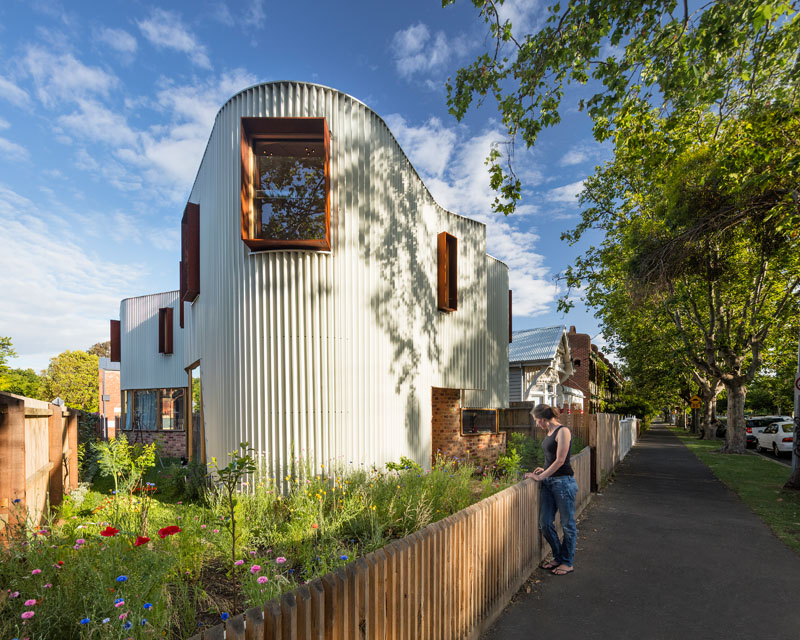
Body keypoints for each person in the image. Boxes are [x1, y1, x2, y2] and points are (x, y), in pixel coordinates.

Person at [524, 404, 577, 576]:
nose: (536, 424)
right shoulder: (549, 433)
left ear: (543, 419)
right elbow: (551, 458)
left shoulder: (563, 431)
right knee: (545, 524)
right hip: (549, 482)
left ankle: (567, 562)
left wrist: (541, 476)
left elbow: (561, 460)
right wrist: (543, 470)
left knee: (567, 525)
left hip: (563, 483)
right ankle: (558, 557)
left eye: (536, 420)